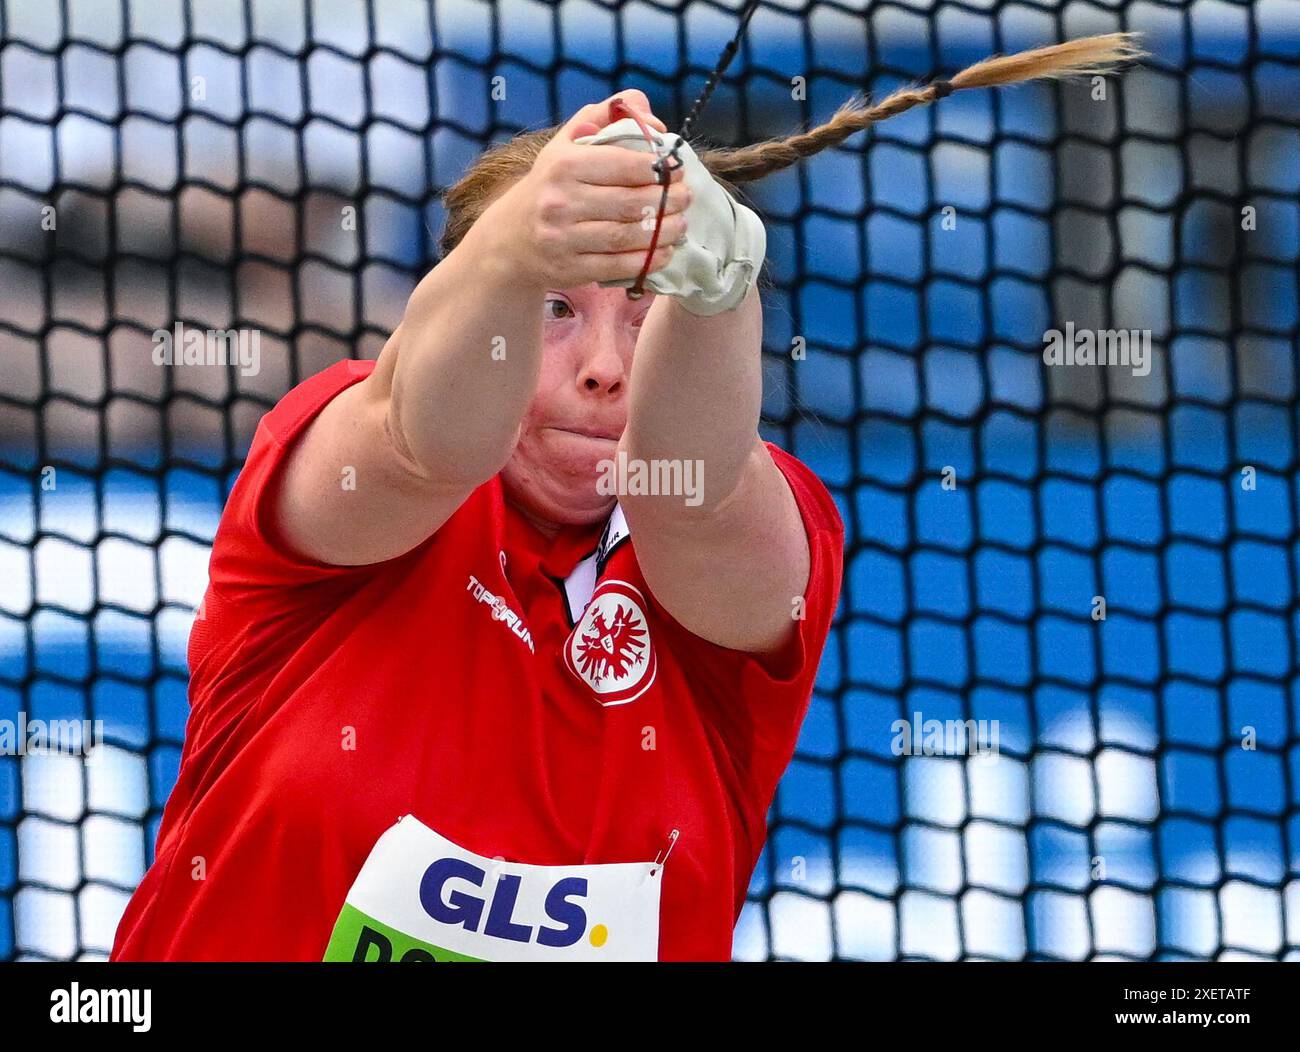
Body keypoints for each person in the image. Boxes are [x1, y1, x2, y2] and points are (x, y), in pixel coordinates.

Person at [111, 33, 1140, 961]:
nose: (604, 365)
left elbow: (681, 496)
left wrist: (720, 273)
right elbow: (427, 442)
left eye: (645, 311)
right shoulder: (338, 452)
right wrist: (517, 242)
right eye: (557, 307)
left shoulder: (770, 524)